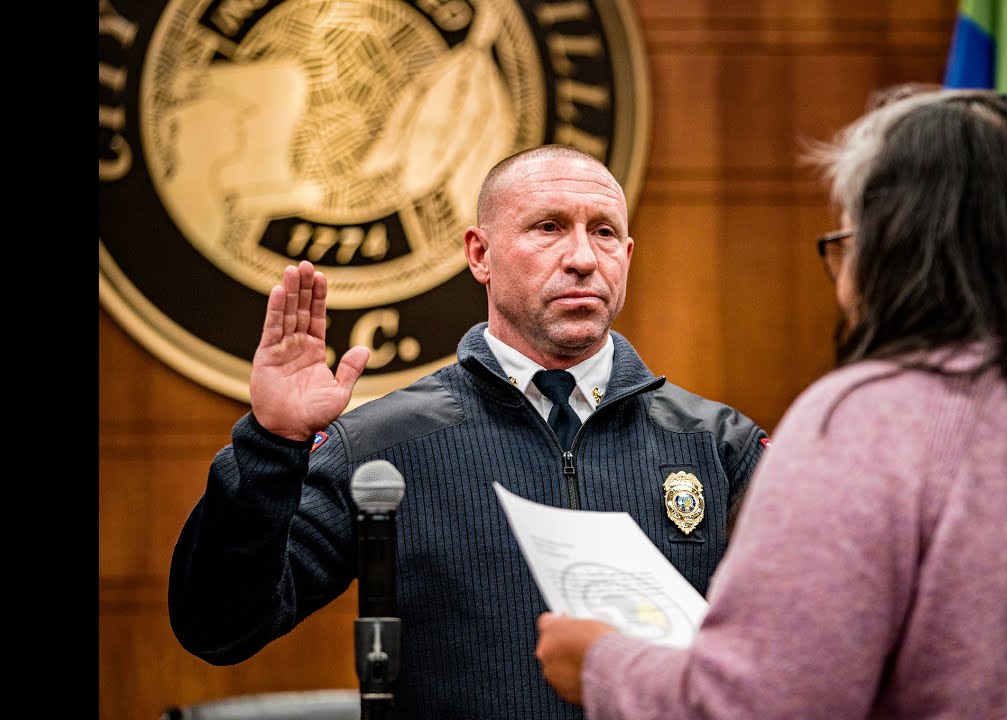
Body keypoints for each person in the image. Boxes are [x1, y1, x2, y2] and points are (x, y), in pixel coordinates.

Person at [534, 88, 1007, 718]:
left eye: (846, 243)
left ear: (894, 251)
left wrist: (602, 665)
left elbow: (763, 703)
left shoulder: (868, 421)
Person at [167, 144, 770, 719]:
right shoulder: (380, 449)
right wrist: (272, 444)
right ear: (480, 254)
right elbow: (218, 627)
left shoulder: (720, 445)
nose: (584, 257)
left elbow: (794, 654)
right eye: (549, 227)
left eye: (605, 232)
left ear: (628, 256)